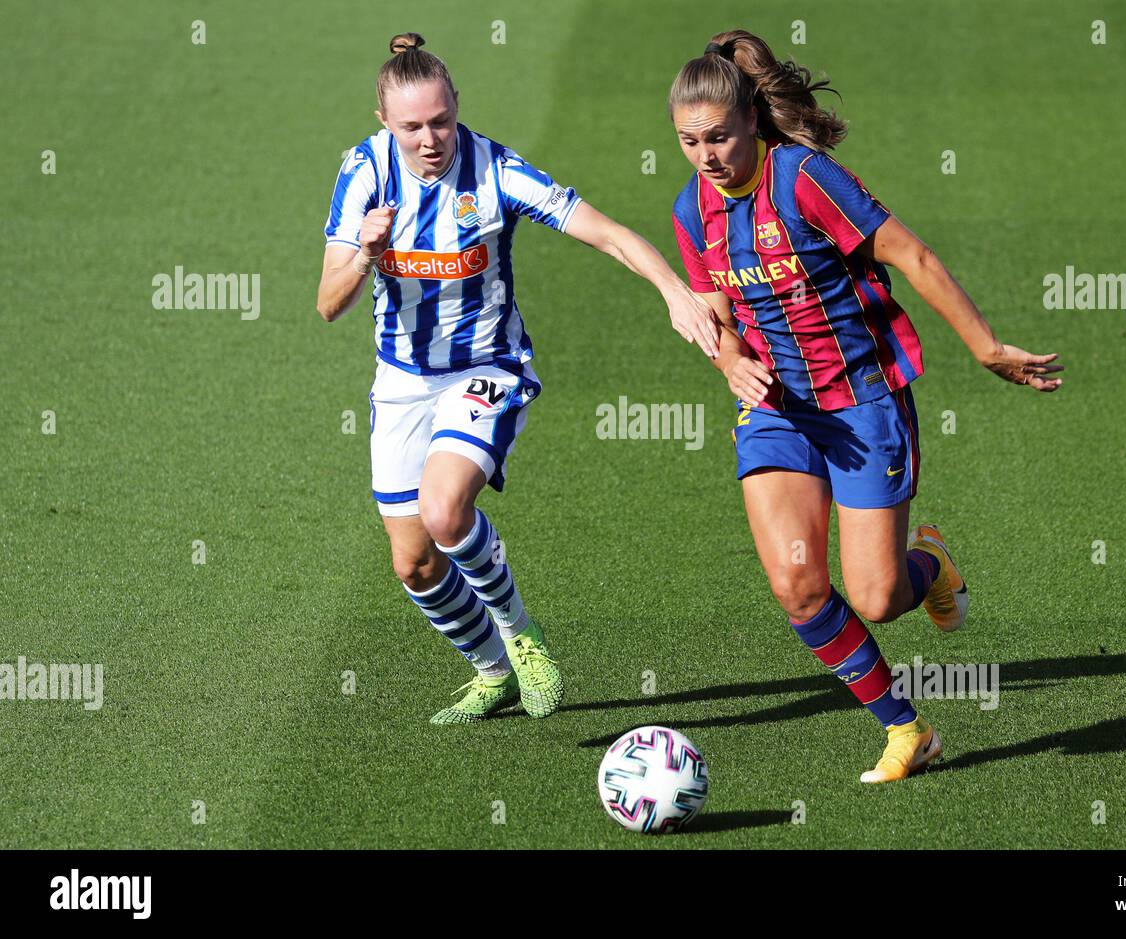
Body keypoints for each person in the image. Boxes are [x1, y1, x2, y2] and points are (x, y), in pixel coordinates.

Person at [668, 30, 1064, 782]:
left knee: (878, 596)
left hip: (862, 401)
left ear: (752, 118)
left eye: (718, 136)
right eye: (689, 141)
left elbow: (910, 255)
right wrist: (729, 359)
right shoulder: (693, 211)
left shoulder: (806, 179)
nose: (707, 156)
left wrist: (985, 346)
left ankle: (934, 564)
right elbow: (714, 312)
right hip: (779, 409)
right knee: (796, 583)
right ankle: (907, 728)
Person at [318, 32, 719, 724]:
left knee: (445, 510)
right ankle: (492, 671)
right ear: (384, 122)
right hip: (402, 381)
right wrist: (365, 253)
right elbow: (328, 303)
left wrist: (672, 290)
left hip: (488, 368)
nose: (430, 139)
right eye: (412, 126)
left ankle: (521, 633)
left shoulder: (496, 171)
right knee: (412, 563)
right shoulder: (362, 174)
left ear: (457, 108)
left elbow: (608, 232)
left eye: (441, 120)